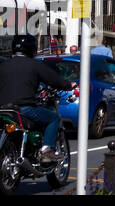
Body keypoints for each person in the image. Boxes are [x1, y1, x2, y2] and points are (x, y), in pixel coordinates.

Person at [0, 34, 74, 163]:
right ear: (31, 49)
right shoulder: (34, 65)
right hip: (23, 108)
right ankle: (46, 151)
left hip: (3, 109)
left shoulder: (4, 65)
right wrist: (68, 85)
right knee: (53, 118)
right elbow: (53, 79)